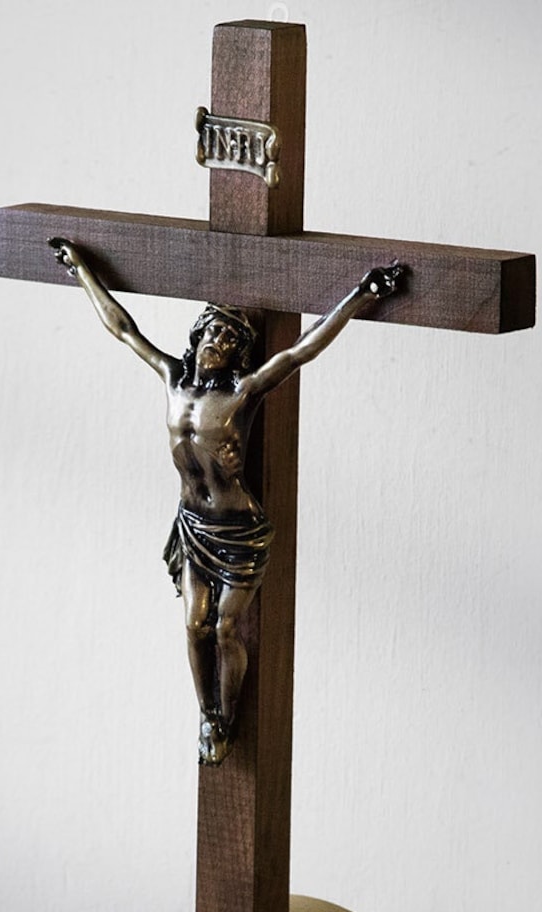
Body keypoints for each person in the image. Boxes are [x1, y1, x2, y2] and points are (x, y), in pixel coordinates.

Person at [50, 239, 405, 763]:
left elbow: (299, 351)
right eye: (211, 331)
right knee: (194, 624)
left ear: (238, 352)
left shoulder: (241, 391)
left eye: (228, 337)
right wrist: (80, 269)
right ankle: (209, 716)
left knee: (224, 627)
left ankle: (229, 712)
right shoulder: (174, 378)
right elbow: (124, 329)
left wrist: (360, 295)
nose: (217, 340)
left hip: (237, 531)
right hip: (193, 523)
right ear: (196, 338)